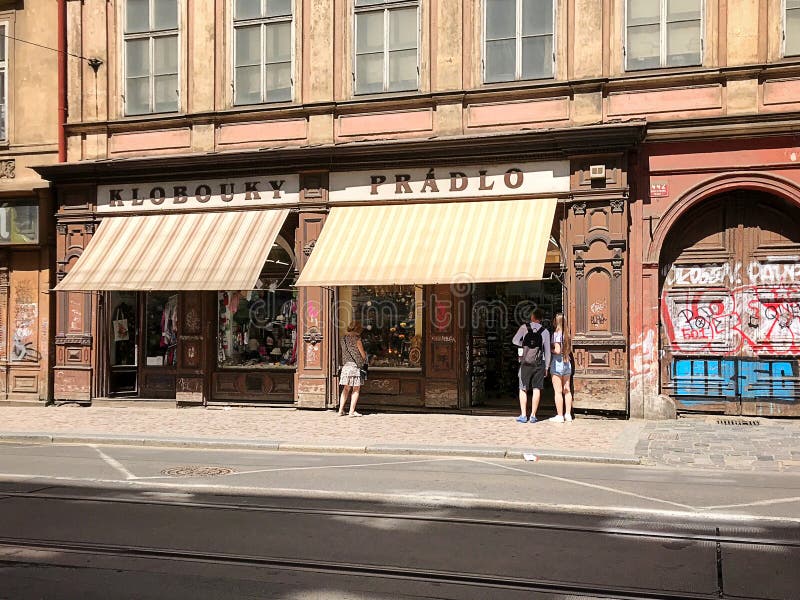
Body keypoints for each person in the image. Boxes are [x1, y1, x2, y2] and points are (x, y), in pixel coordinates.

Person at [511, 308, 550, 424]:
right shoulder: (545, 332)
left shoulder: (524, 327)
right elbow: (547, 351)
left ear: (532, 317)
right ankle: (533, 415)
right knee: (536, 388)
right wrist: (547, 367)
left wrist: (523, 344)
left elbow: (514, 340)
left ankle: (523, 415)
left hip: (525, 362)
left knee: (523, 388)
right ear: (541, 319)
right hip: (539, 362)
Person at [549, 313, 574, 423]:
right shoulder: (567, 335)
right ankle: (568, 414)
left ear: (556, 322)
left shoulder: (556, 334)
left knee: (558, 391)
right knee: (567, 390)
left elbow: (558, 350)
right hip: (567, 363)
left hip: (557, 363)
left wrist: (550, 349)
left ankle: (560, 415)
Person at [339, 321, 367, 417]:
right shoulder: (357, 339)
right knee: (356, 389)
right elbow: (363, 355)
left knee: (346, 389)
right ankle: (351, 411)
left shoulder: (343, 338)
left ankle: (340, 410)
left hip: (346, 367)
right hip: (354, 367)